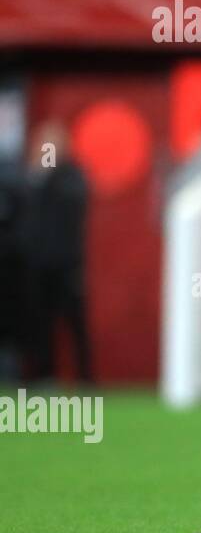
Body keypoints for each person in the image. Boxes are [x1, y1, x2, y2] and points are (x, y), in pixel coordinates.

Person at [23, 122, 91, 386]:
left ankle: (86, 379)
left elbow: (73, 205)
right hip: (38, 264)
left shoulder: (71, 176)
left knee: (76, 324)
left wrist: (49, 174)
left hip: (67, 263)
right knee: (40, 322)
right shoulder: (31, 175)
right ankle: (43, 375)